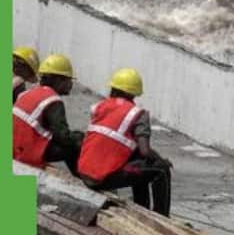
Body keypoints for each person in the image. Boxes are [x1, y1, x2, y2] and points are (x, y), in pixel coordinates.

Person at [78, 68, 173, 216]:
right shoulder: (138, 114)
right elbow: (145, 151)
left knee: (140, 163)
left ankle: (142, 206)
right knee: (161, 169)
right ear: (133, 94)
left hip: (84, 173)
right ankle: (162, 216)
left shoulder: (99, 107)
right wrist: (162, 160)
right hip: (102, 178)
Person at [13, 54, 83, 174]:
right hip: (25, 152)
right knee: (74, 145)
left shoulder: (28, 93)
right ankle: (82, 180)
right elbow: (63, 137)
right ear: (58, 80)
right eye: (68, 80)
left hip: (13, 146)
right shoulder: (53, 100)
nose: (70, 84)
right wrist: (82, 138)